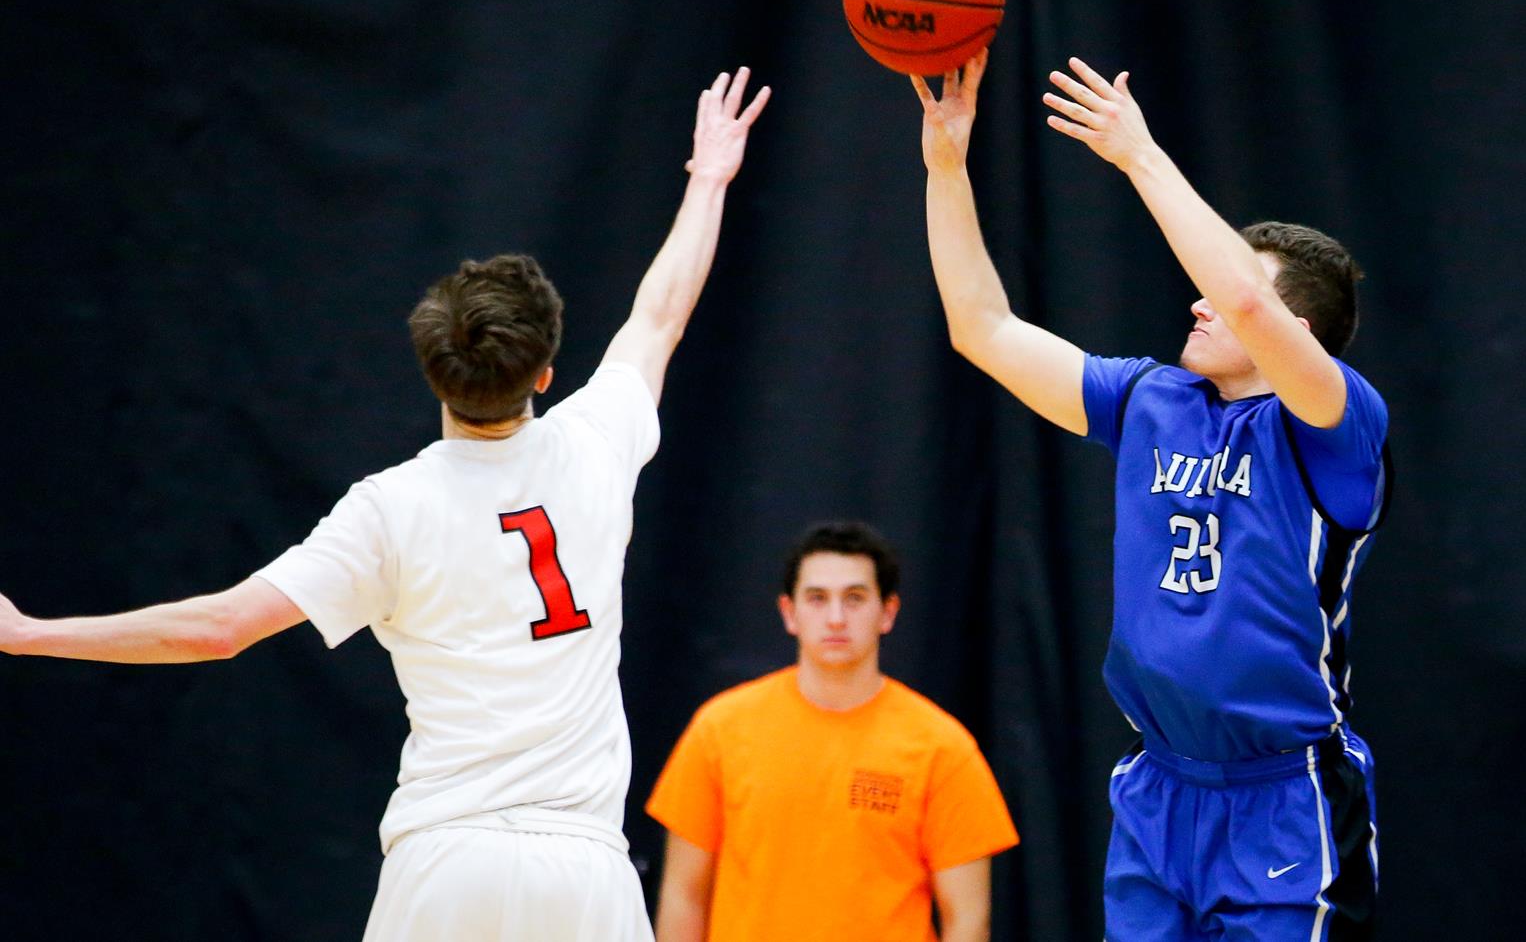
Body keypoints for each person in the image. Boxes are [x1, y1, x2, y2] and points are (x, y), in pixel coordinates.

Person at [0, 66, 771, 941]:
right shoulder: (594, 442)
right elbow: (660, 313)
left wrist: (28, 633)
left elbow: (218, 629)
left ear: (431, 373)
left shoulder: (389, 509)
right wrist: (709, 177)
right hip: (584, 871)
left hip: (445, 867)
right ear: (546, 375)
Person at [911, 49, 1390, 941]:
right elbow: (981, 327)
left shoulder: (1334, 420)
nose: (1201, 304)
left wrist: (1139, 154)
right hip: (1158, 787)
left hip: (1284, 793)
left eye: (1221, 286)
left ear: (1305, 332)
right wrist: (946, 166)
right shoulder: (1148, 400)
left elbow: (1247, 303)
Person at [646, 521, 1019, 942]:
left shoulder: (943, 749)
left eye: (855, 598)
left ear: (888, 612)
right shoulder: (719, 729)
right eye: (818, 598)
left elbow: (967, 919)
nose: (836, 618)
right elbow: (683, 896)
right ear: (790, 612)